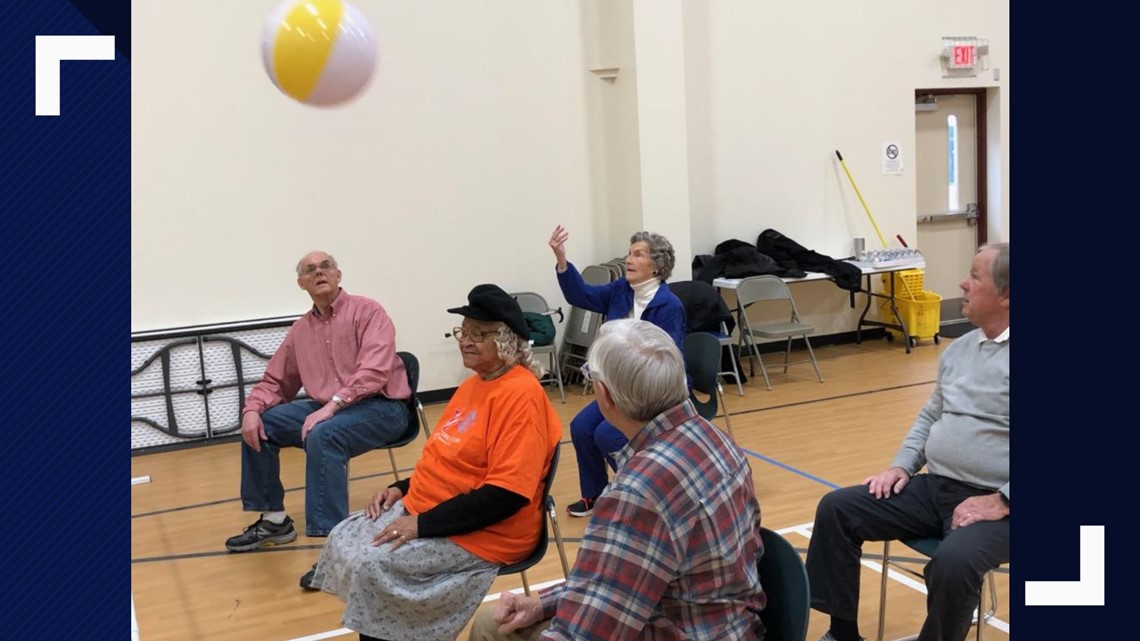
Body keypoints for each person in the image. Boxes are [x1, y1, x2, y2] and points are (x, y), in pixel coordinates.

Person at [469, 319, 764, 641]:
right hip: (727, 624)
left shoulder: (639, 491)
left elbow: (587, 632)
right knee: (494, 624)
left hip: (678, 628)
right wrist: (544, 603)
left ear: (604, 394)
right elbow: (621, 576)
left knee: (490, 628)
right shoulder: (716, 440)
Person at [307, 284, 562, 641]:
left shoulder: (521, 397)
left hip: (487, 532)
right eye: (463, 332)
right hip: (435, 509)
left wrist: (422, 525)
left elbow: (506, 495)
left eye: (478, 334)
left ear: (507, 341)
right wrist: (400, 489)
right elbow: (450, 460)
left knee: (374, 564)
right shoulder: (475, 384)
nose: (465, 341)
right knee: (342, 538)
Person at [805, 243, 1010, 641]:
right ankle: (842, 633)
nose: (962, 284)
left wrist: (1001, 500)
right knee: (837, 509)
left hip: (1000, 506)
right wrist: (901, 465)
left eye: (975, 277)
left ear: (1006, 295)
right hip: (937, 487)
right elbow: (931, 415)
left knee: (954, 561)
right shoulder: (961, 349)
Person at [225, 251, 412, 552]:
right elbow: (276, 381)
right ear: (302, 284)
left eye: (326, 266)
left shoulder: (368, 311)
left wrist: (333, 405)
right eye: (310, 270)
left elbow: (375, 372)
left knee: (324, 433)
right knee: (264, 423)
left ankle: (334, 545)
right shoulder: (301, 330)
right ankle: (274, 520)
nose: (319, 272)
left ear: (339, 275)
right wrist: (251, 410)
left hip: (383, 408)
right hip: (331, 409)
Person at [548, 224, 685, 517]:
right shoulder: (621, 290)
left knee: (607, 436)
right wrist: (562, 260)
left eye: (638, 254)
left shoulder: (669, 305)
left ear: (657, 266)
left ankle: (639, 495)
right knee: (582, 428)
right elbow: (580, 295)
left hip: (650, 394)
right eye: (629, 253)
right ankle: (595, 496)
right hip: (619, 387)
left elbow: (666, 361)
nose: (629, 260)